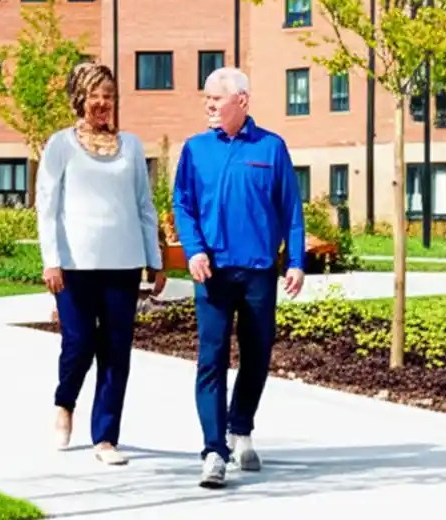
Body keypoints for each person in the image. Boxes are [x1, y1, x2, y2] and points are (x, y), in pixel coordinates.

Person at [172, 66, 305, 489]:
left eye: (216, 98)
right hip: (212, 273)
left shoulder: (271, 148)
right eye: (206, 98)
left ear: (241, 101)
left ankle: (240, 427)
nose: (209, 105)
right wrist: (193, 251)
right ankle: (214, 450)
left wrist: (297, 261)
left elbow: (291, 211)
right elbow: (183, 205)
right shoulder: (194, 150)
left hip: (259, 273)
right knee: (211, 360)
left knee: (257, 356)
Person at [36, 61, 166, 466]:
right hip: (74, 267)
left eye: (108, 96)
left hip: (123, 265)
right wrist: (51, 261)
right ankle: (64, 402)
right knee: (78, 344)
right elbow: (46, 206)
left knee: (116, 350)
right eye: (95, 95)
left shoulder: (131, 146)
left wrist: (154, 260)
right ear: (80, 98)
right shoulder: (60, 145)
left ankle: (106, 437)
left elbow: (145, 207)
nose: (102, 103)